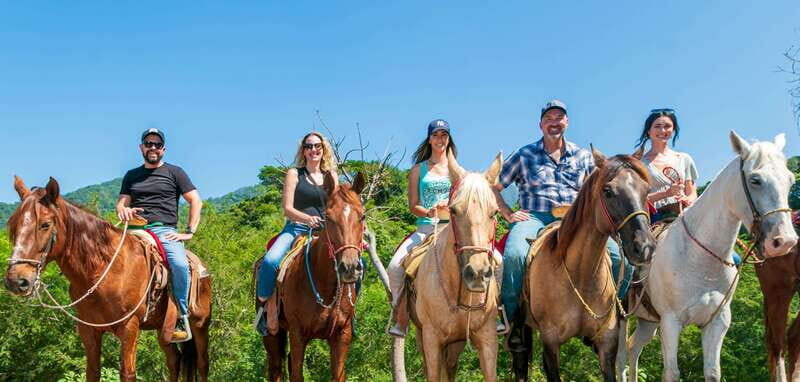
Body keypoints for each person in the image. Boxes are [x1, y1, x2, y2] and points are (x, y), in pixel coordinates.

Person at [492, 100, 630, 350]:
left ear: (566, 122)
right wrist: (507, 213)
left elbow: (598, 191)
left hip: (575, 220)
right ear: (540, 124)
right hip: (535, 215)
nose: (554, 123)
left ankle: (607, 315)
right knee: (513, 255)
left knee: (622, 260)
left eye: (559, 118)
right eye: (548, 119)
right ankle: (512, 319)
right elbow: (495, 186)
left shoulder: (583, 156)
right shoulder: (524, 154)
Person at [116, 128, 202, 343]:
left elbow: (195, 201)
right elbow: (121, 204)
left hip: (163, 230)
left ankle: (181, 315)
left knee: (180, 265)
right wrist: (123, 211)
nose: (152, 147)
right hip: (134, 229)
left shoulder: (175, 172)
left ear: (163, 149)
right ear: (141, 148)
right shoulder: (131, 175)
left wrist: (189, 232)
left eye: (156, 144)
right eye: (148, 143)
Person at [254, 131, 338, 333]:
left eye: (317, 146)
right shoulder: (295, 174)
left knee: (356, 262)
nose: (313, 150)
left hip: (325, 233)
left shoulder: (331, 176)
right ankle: (265, 308)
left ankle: (349, 313)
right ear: (303, 150)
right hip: (296, 228)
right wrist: (307, 218)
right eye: (309, 146)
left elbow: (336, 206)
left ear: (323, 149)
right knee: (271, 260)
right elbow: (287, 208)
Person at [386, 119, 457, 337]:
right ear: (429, 139)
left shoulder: (458, 170)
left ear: (449, 139)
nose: (440, 139)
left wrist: (450, 207)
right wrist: (428, 212)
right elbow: (413, 205)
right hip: (425, 229)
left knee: (491, 260)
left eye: (444, 135)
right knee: (395, 267)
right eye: (436, 135)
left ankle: (493, 311)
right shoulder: (418, 170)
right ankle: (401, 317)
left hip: (453, 230)